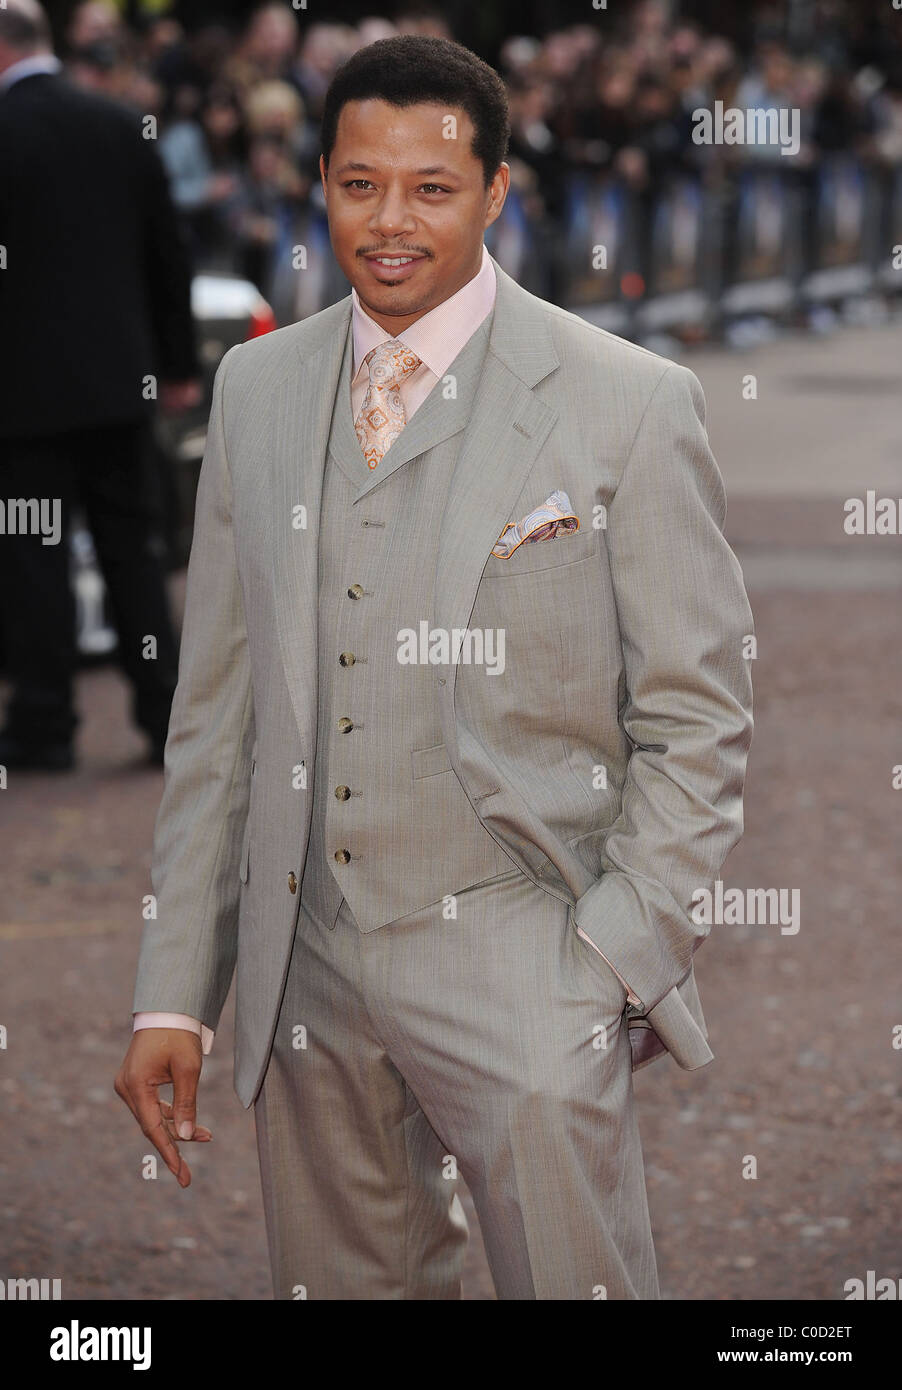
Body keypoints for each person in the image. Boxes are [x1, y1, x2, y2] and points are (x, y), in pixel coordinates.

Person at [116, 34, 754, 1300]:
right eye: (359, 185)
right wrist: (175, 997)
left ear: (497, 191)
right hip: (308, 964)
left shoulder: (627, 399)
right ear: (321, 185)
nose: (389, 222)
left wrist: (610, 962)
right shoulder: (255, 387)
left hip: (527, 949)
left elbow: (697, 713)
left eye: (430, 187)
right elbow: (218, 720)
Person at [0, 0, 200, 771]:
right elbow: (167, 254)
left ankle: (46, 722)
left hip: (22, 401)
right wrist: (176, 364)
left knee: (34, 555)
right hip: (121, 386)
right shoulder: (120, 127)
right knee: (133, 553)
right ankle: (163, 715)